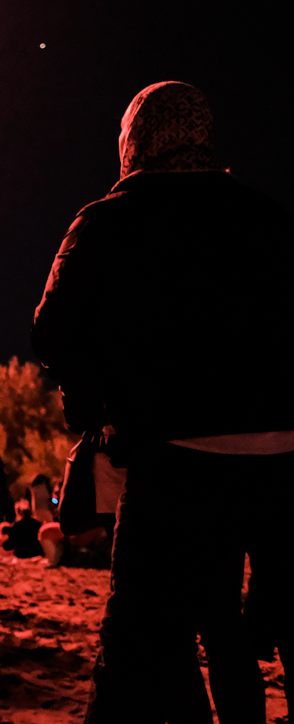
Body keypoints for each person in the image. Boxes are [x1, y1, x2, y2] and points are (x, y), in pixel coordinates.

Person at [32, 81, 293, 723]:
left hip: (175, 461)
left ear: (133, 140)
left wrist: (98, 407)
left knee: (137, 639)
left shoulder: (108, 220)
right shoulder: (271, 219)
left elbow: (53, 332)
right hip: (286, 462)